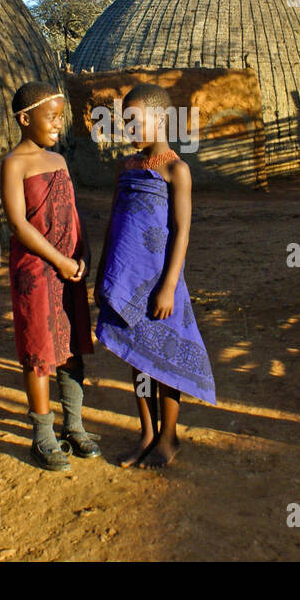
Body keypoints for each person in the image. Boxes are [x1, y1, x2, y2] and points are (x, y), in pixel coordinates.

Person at [94, 83, 215, 468]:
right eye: (123, 122)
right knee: (138, 357)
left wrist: (167, 287)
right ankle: (146, 432)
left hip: (162, 283)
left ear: (161, 119)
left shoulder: (177, 170)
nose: (127, 129)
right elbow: (115, 222)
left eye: (134, 121)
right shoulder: (125, 168)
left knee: (164, 359)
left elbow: (182, 231)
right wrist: (103, 274)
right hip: (127, 282)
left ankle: (168, 437)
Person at [0, 81, 99, 471]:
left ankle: (74, 426)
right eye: (51, 117)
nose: (58, 124)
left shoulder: (59, 162)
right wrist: (58, 260)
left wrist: (84, 252)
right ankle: (43, 437)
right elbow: (19, 224)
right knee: (40, 351)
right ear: (25, 119)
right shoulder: (15, 164)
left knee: (71, 347)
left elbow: (73, 213)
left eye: (61, 117)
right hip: (38, 272)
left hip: (69, 269)